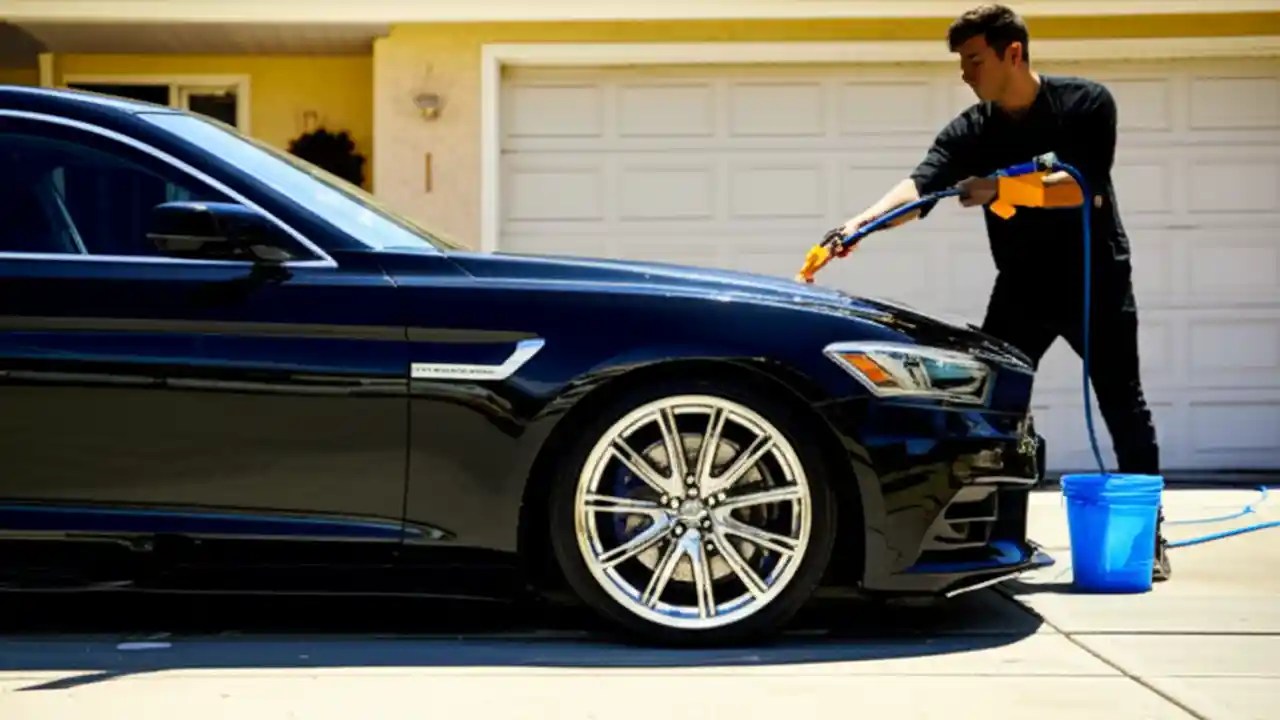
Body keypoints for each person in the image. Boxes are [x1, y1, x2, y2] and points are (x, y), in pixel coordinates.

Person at [835, 4, 1170, 580]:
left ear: (1012, 52)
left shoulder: (1086, 103)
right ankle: (1000, 535)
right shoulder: (973, 129)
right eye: (962, 62)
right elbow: (921, 185)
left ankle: (1147, 538)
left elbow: (1078, 186)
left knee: (1124, 405)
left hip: (1097, 281)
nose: (965, 73)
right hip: (1022, 289)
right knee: (997, 407)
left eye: (973, 59)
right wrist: (858, 225)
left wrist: (996, 187)